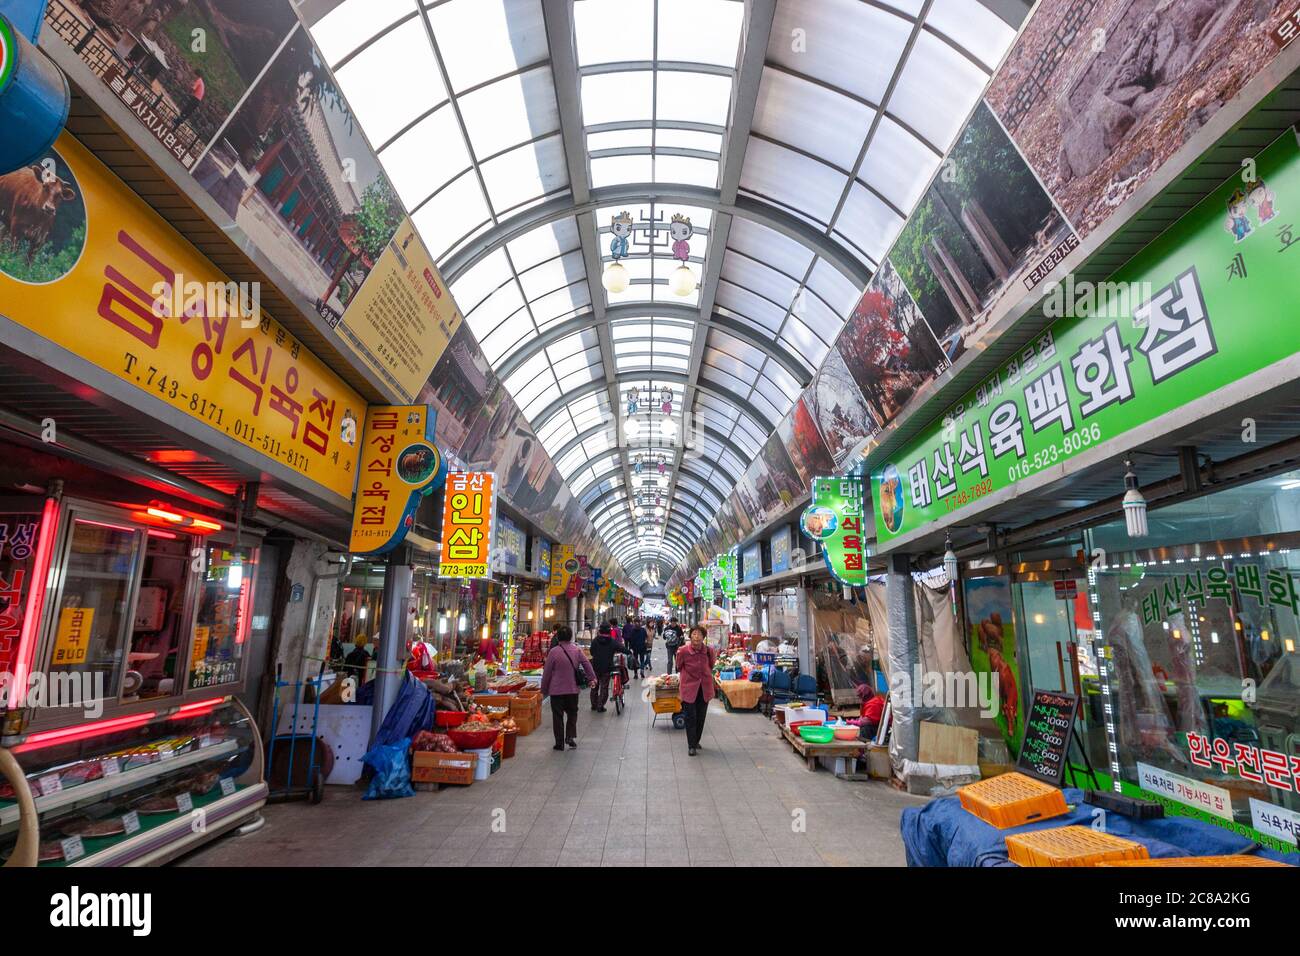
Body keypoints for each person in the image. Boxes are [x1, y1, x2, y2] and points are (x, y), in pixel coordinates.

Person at [540, 625, 596, 751]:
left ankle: (559, 743)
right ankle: (570, 737)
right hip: (572, 689)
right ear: (571, 636)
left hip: (556, 691)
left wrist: (543, 689)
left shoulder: (553, 652)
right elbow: (587, 664)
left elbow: (547, 672)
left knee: (557, 716)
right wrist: (593, 678)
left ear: (558, 636)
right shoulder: (576, 650)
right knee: (572, 713)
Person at [675, 625, 718, 756]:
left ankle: (696, 740)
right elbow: (678, 666)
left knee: (701, 717)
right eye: (694, 634)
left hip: (704, 688)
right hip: (689, 688)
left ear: (703, 637)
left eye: (699, 634)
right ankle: (691, 745)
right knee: (690, 717)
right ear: (690, 636)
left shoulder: (709, 651)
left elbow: (711, 665)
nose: (697, 636)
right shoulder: (683, 651)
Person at [588, 623, 629, 712]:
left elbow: (591, 652)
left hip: (595, 666)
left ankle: (594, 705)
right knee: (604, 687)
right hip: (607, 668)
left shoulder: (595, 641)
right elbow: (622, 648)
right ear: (609, 631)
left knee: (594, 686)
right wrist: (629, 652)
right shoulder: (612, 641)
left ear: (600, 631)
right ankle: (600, 705)